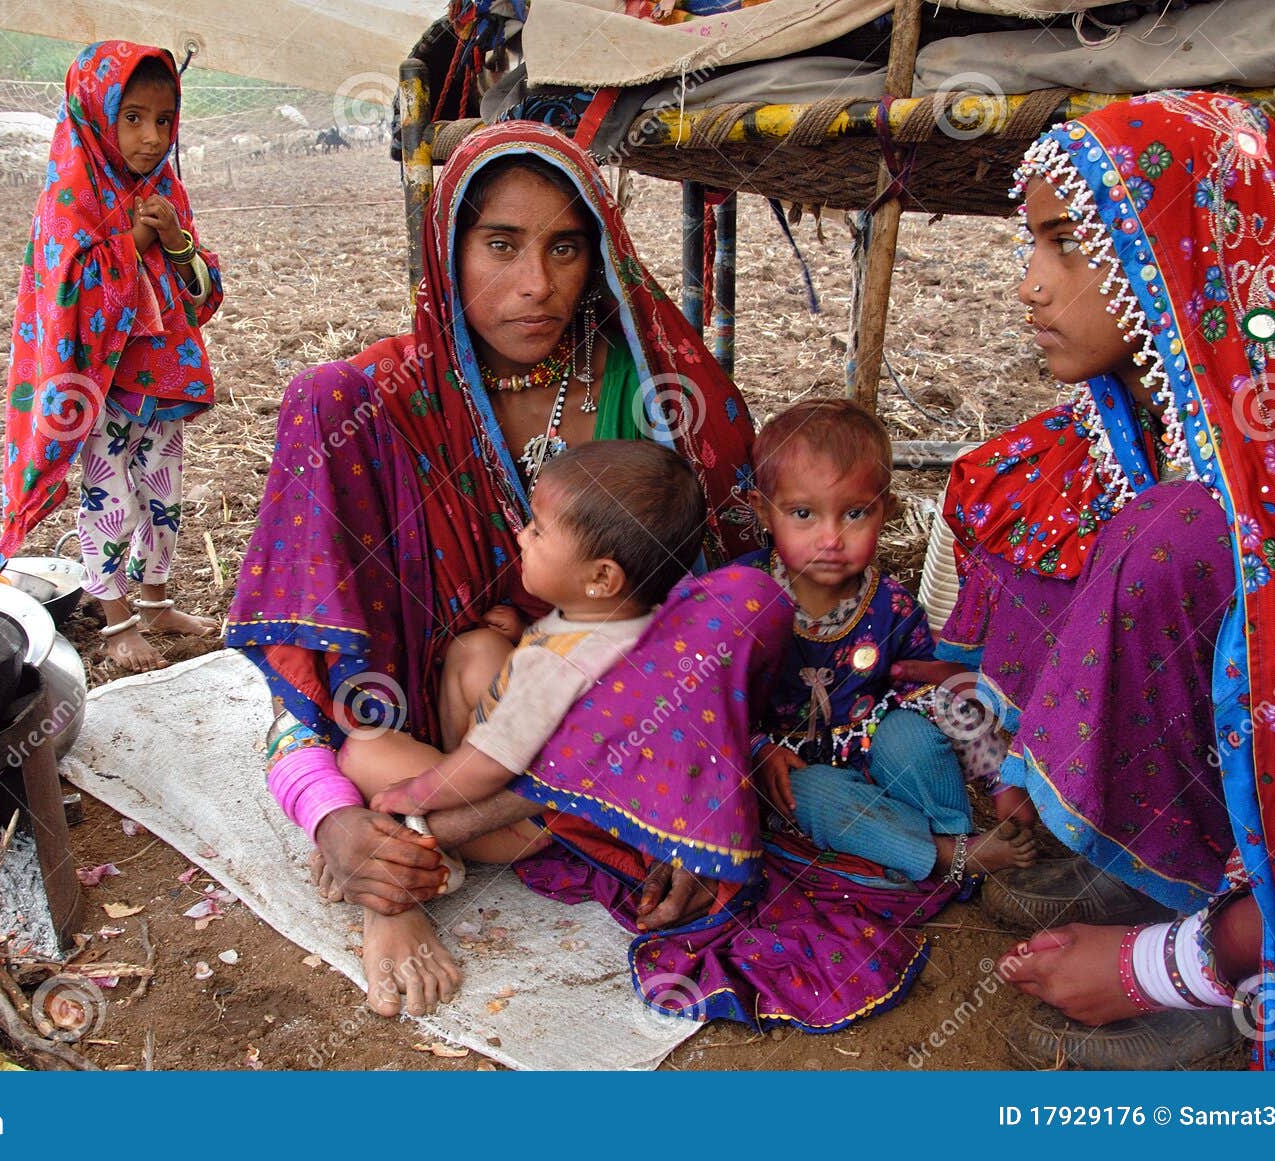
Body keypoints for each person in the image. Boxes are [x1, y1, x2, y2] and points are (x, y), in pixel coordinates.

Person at [230, 122, 954, 1029]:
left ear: (600, 253)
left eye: (565, 247)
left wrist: (708, 789)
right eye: (501, 245)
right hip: (444, 722)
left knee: (734, 603)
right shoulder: (371, 409)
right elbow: (310, 692)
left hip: (616, 728)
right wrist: (341, 827)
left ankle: (474, 827)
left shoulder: (656, 388)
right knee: (398, 720)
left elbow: (714, 624)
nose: (537, 284)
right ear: (448, 252)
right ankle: (422, 859)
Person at [909, 91, 1275, 1070]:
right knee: (1063, 497)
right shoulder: (1161, 427)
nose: (1030, 287)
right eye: (1033, 244)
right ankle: (1153, 860)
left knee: (1170, 538)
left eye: (1070, 244)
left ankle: (1222, 953)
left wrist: (1176, 963)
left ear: (1189, 248)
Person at [0, 41, 222, 671]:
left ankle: (156, 601)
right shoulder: (73, 196)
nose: (152, 137)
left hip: (160, 381)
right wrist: (138, 238)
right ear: (96, 112)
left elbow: (201, 294)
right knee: (109, 501)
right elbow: (70, 290)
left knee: (163, 499)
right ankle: (116, 619)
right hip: (99, 387)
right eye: (133, 118)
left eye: (164, 120)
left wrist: (175, 240)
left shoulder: (164, 188)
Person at [738, 400, 1034, 887]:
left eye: (855, 513)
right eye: (803, 513)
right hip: (789, 768)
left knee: (911, 736)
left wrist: (999, 775)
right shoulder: (741, 598)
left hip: (873, 752)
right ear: (763, 512)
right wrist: (756, 748)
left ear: (886, 512)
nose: (831, 538)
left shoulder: (890, 606)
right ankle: (943, 857)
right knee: (812, 793)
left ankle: (956, 837)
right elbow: (707, 698)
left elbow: (936, 694)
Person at [366, 440, 706, 819]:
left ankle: (445, 816)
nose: (521, 537)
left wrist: (419, 792)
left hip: (535, 816)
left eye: (539, 532)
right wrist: (526, 632)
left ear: (601, 578)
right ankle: (454, 770)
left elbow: (494, 762)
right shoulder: (644, 621)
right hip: (599, 790)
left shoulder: (555, 666)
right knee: (476, 649)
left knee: (364, 754)